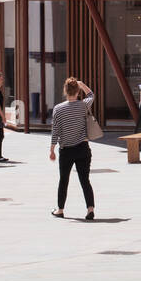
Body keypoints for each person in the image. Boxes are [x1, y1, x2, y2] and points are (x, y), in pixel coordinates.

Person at [49, 77, 96, 220]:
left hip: (66, 150)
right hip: (82, 148)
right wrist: (82, 85)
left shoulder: (58, 109)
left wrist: (51, 150)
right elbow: (91, 95)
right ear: (77, 91)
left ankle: (60, 210)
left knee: (64, 180)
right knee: (85, 180)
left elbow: (55, 130)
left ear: (65, 91)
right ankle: (90, 209)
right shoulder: (83, 106)